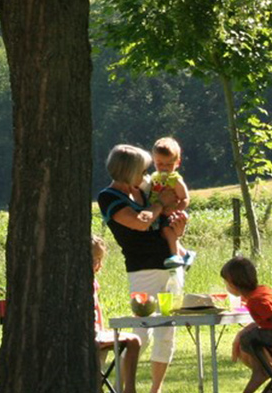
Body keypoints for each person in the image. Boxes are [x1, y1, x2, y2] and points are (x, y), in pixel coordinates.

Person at [99, 144, 187, 393]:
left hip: (170, 265)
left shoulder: (145, 190)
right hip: (142, 270)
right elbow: (139, 223)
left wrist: (177, 230)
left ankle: (155, 389)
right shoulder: (109, 197)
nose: (146, 174)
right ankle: (125, 387)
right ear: (128, 171)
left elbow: (164, 217)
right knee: (141, 333)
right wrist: (161, 204)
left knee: (167, 330)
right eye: (142, 170)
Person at [220, 255, 272, 393]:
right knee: (251, 335)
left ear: (233, 283)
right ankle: (265, 370)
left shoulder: (256, 300)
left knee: (247, 337)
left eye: (226, 283)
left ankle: (262, 371)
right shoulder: (261, 291)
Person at [92, 235, 143, 393]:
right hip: (88, 335)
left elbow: (97, 308)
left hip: (97, 332)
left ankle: (129, 388)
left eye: (100, 260)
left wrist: (101, 327)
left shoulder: (93, 281)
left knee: (134, 340)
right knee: (132, 340)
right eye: (95, 260)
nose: (99, 265)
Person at [144, 138, 194, 269]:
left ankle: (175, 255)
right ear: (153, 161)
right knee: (160, 234)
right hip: (158, 211)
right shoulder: (154, 177)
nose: (164, 168)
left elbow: (185, 198)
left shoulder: (175, 180)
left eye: (169, 164)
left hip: (169, 212)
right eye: (160, 164)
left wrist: (176, 211)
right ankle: (185, 254)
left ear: (177, 163)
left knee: (167, 230)